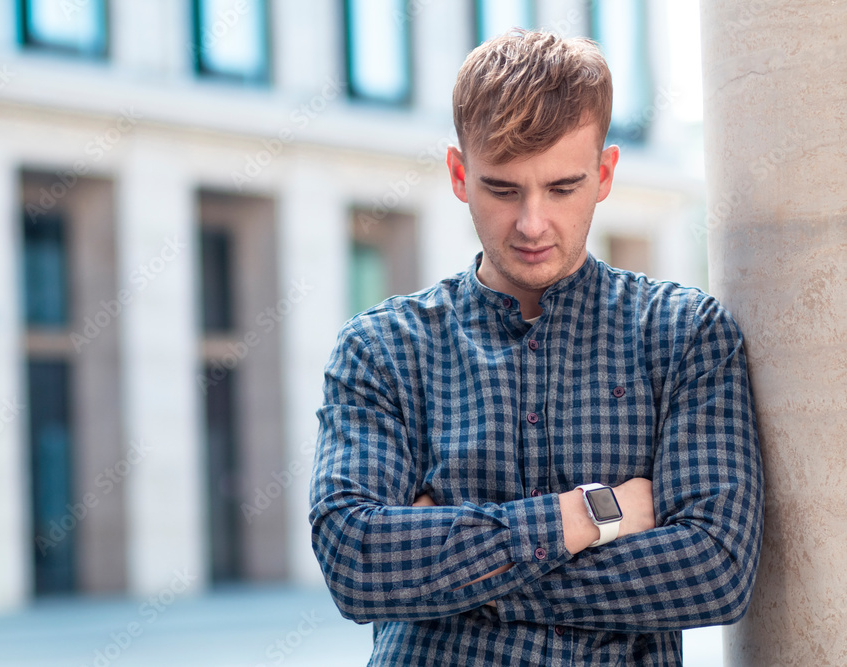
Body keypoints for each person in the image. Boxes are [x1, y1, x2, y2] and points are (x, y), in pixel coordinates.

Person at [308, 28, 763, 666]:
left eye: (561, 188)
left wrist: (454, 575)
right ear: (459, 174)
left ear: (604, 175)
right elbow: (356, 560)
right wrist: (593, 515)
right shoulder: (382, 349)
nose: (531, 224)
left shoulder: (684, 336)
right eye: (502, 189)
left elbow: (713, 570)